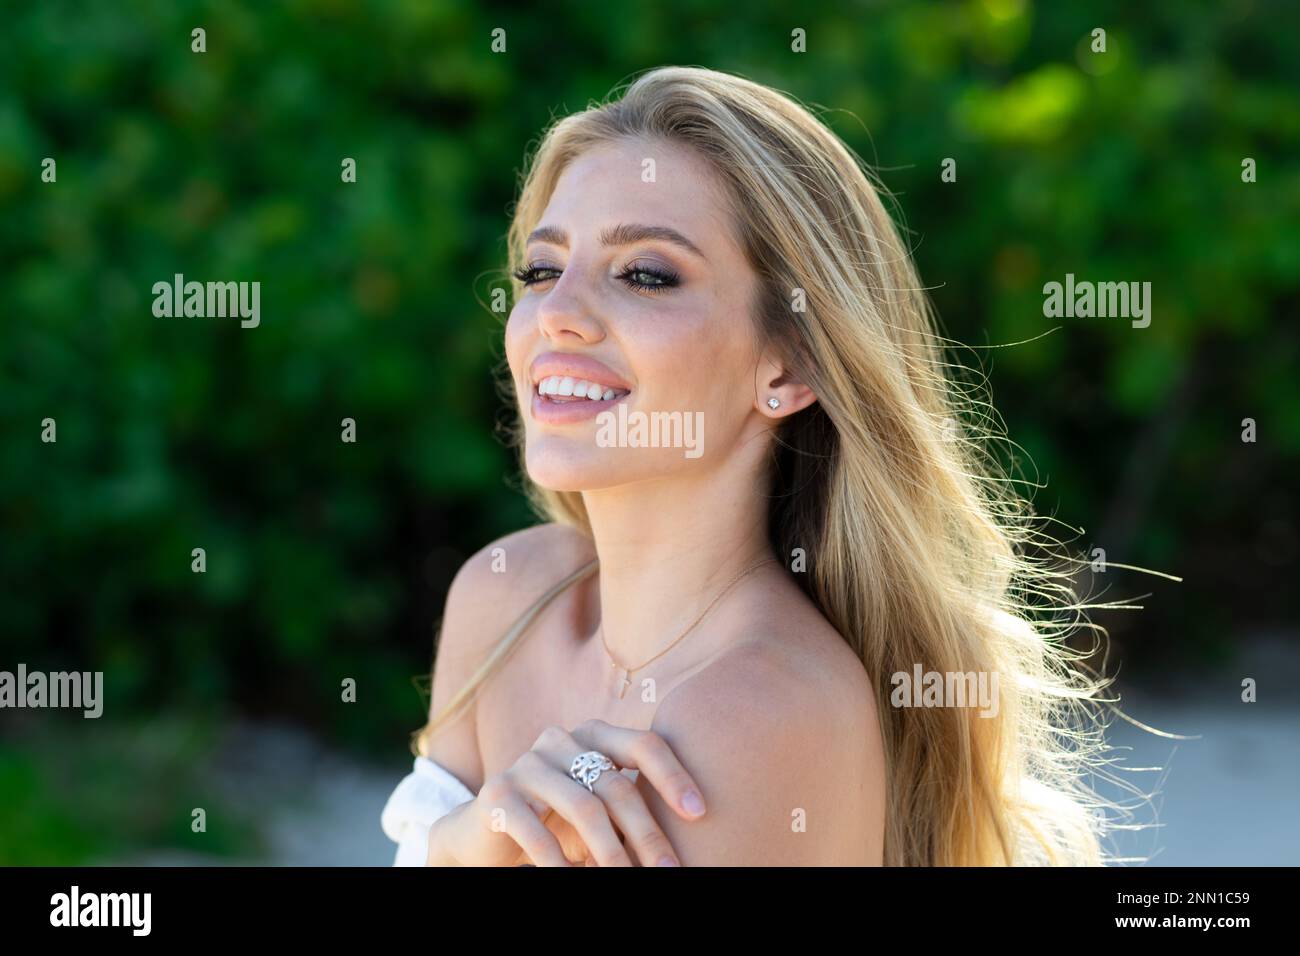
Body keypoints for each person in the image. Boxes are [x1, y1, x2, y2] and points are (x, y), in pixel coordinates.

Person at [381, 65, 1112, 866]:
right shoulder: (506, 597)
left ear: (788, 367)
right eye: (542, 270)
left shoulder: (764, 712)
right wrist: (462, 840)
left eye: (645, 275)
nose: (554, 315)